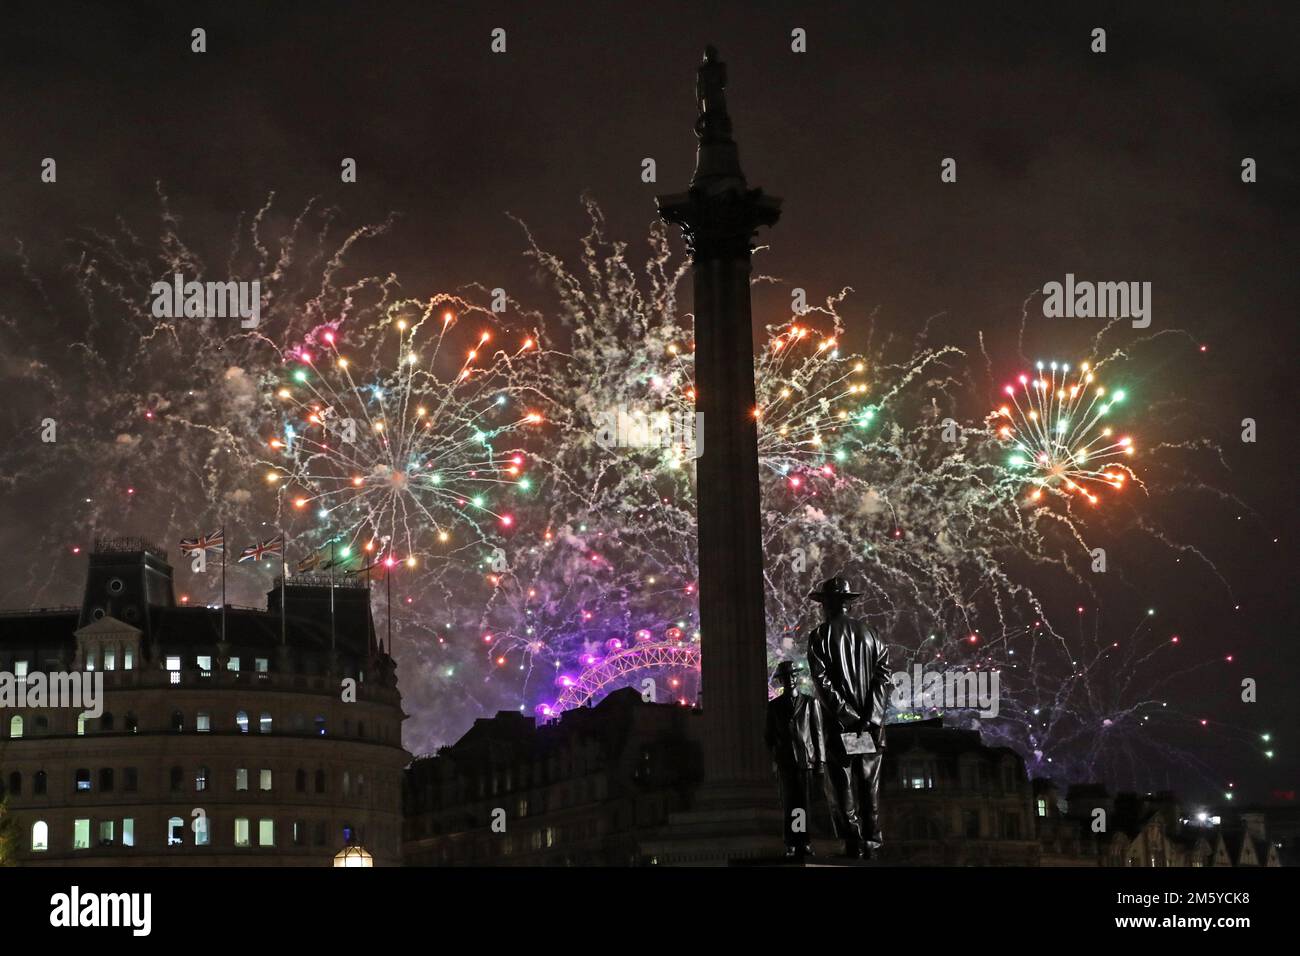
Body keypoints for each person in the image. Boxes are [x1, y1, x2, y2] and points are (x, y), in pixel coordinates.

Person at [805, 576, 890, 859]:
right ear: (849, 604)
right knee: (869, 785)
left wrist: (849, 716)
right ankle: (872, 843)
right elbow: (883, 678)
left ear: (827, 605)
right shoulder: (873, 634)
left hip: (840, 726)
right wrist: (871, 717)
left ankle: (851, 842)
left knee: (841, 785)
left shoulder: (819, 636)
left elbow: (822, 682)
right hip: (870, 727)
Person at [764, 660, 825, 858]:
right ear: (781, 680)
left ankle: (803, 841)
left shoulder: (810, 702)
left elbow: (817, 734)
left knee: (803, 804)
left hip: (805, 760)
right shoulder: (774, 707)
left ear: (796, 678)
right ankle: (793, 842)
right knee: (790, 804)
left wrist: (820, 762)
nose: (790, 679)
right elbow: (769, 736)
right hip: (786, 761)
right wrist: (777, 754)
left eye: (792, 676)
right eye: (785, 677)